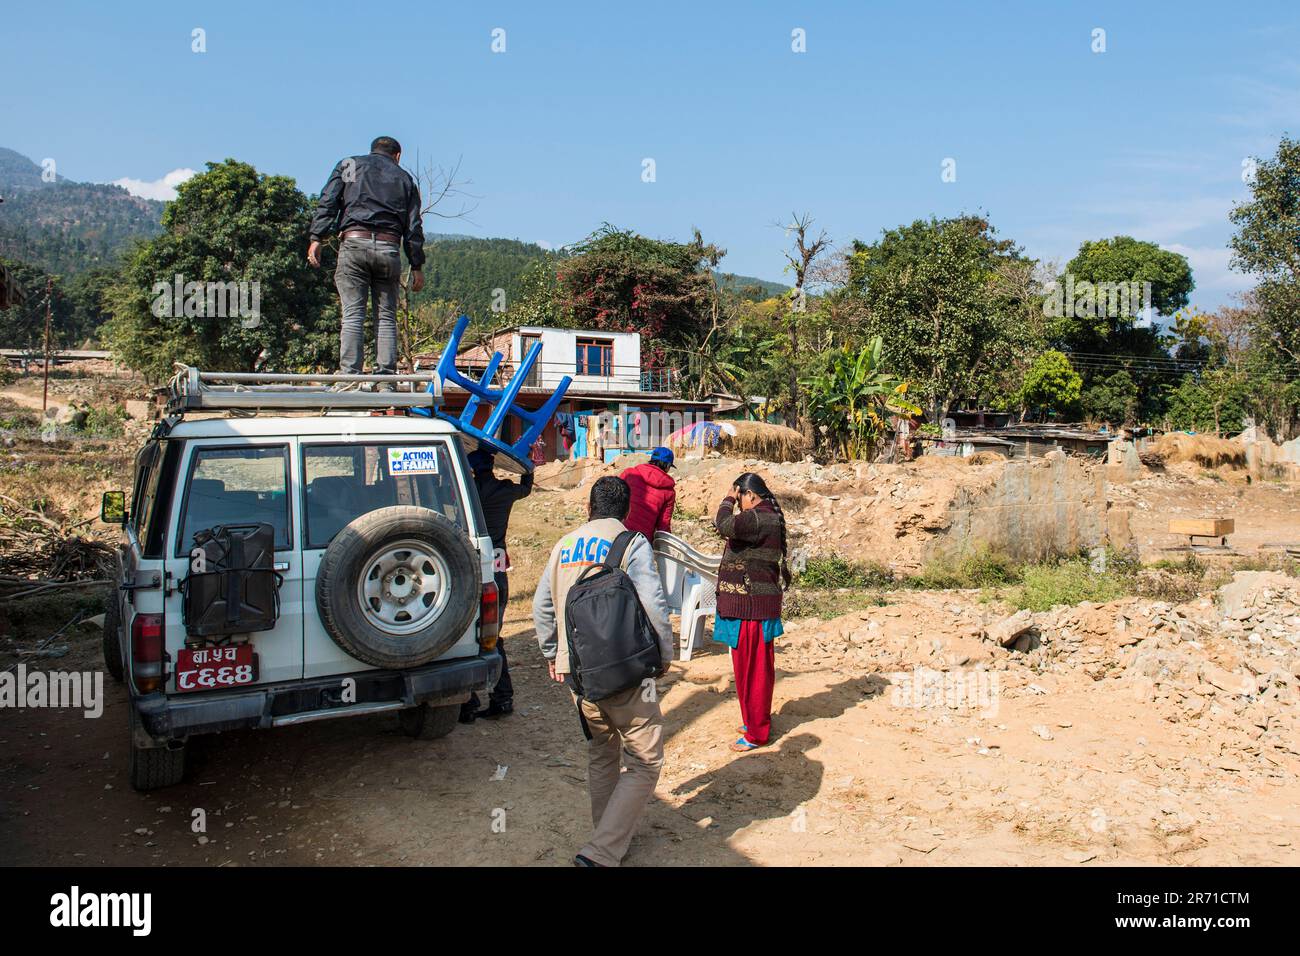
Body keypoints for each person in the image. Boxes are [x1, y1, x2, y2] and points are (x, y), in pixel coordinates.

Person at [533, 476, 673, 867]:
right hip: (626, 670)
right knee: (645, 760)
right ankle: (602, 851)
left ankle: (607, 835)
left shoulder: (563, 545)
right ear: (626, 512)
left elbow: (542, 606)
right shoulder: (631, 543)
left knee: (601, 752)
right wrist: (664, 655)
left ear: (588, 508)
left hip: (577, 672)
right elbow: (653, 604)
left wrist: (553, 652)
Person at [307, 136, 425, 381]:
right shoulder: (404, 178)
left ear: (372, 151)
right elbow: (413, 226)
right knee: (386, 318)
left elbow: (328, 202)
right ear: (398, 156)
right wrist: (416, 265)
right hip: (389, 247)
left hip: (354, 242)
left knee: (353, 315)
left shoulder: (350, 165)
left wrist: (317, 237)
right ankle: (385, 381)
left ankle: (350, 377)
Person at [714, 472, 790, 753]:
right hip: (751, 606)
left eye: (740, 498)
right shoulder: (763, 516)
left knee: (754, 674)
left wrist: (727, 498)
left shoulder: (758, 516)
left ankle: (757, 732)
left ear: (749, 495)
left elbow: (722, 523)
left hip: (753, 607)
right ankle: (752, 722)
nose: (738, 503)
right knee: (747, 671)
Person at [461, 448, 534, 722]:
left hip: (471, 569)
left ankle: (467, 703)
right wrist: (528, 468)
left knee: (466, 637)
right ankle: (502, 698)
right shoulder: (505, 490)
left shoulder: (465, 493)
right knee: (494, 637)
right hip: (497, 570)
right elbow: (526, 489)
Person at [619, 446, 676, 541]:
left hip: (619, 533)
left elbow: (613, 500)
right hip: (641, 541)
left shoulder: (629, 474)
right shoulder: (669, 492)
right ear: (667, 466)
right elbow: (663, 525)